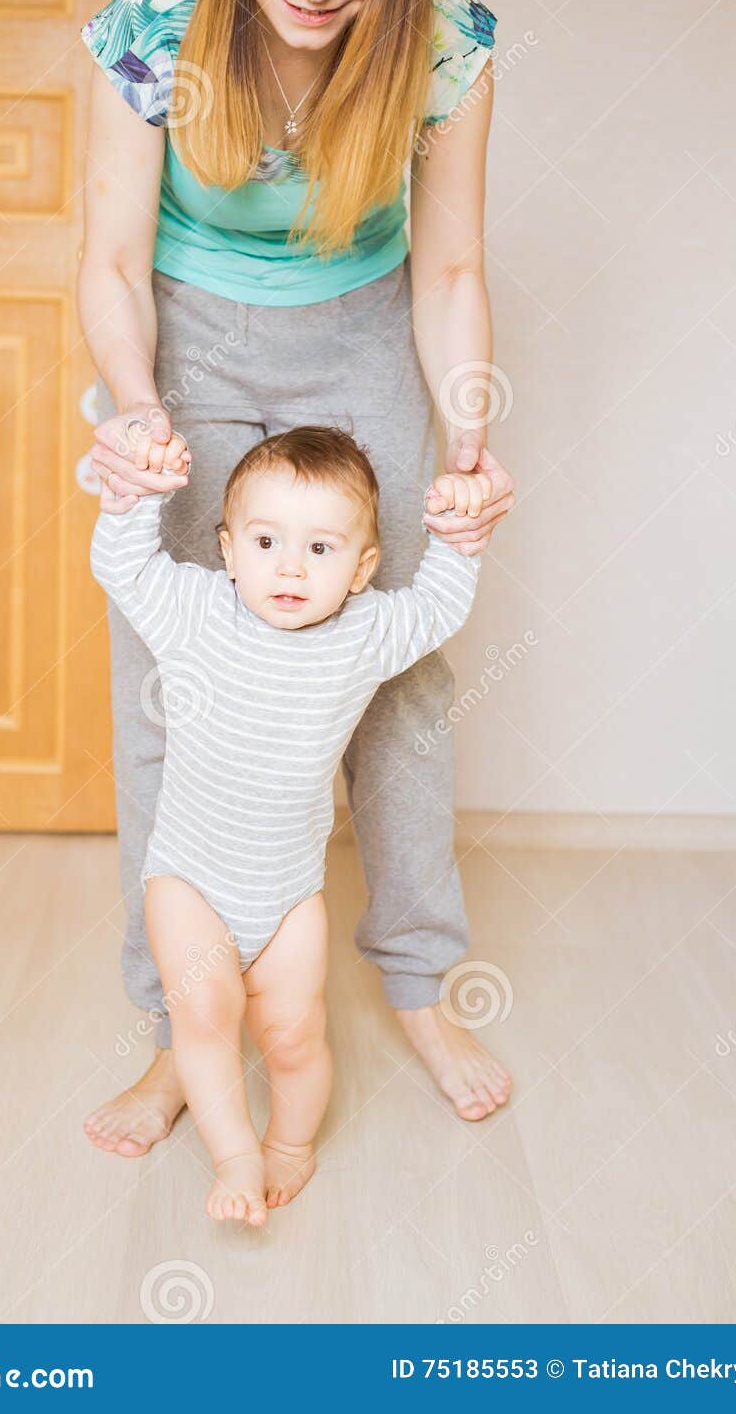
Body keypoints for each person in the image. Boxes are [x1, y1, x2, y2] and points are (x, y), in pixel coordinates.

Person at [77, 0, 516, 1157]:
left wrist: (466, 433)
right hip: (189, 338)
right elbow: (105, 256)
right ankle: (175, 1026)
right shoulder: (155, 14)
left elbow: (449, 268)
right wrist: (138, 405)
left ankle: (416, 983)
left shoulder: (446, 36)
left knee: (396, 674)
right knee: (170, 679)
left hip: (357, 325)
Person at [89, 419, 490, 1221]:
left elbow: (441, 604)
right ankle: (234, 1159)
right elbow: (121, 566)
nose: (289, 568)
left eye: (320, 550)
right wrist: (134, 496)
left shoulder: (366, 633)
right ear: (228, 548)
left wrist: (457, 526)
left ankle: (289, 1147)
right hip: (190, 879)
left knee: (295, 1037)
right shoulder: (194, 613)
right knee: (202, 1020)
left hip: (287, 898)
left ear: (362, 567)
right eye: (267, 541)